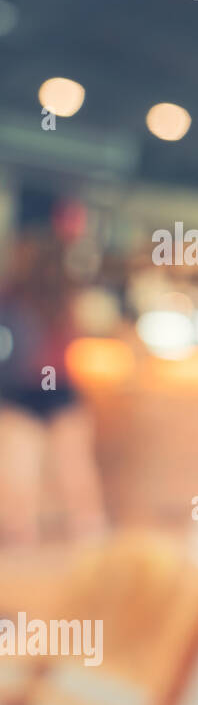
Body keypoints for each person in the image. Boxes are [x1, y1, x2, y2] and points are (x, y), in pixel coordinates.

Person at [0, 215, 107, 544]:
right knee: (73, 475)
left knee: (21, 477)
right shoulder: (67, 296)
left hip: (25, 391)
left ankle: (22, 544)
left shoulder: (12, 295)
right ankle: (88, 540)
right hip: (56, 390)